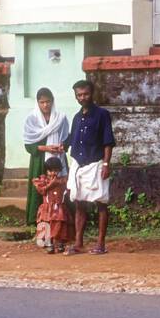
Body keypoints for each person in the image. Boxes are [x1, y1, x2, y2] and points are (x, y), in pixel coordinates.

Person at [66, 79, 116, 255]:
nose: (82, 97)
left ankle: (100, 244)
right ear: (76, 97)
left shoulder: (102, 115)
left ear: (91, 93)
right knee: (79, 203)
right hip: (78, 165)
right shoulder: (76, 117)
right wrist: (60, 147)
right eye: (79, 95)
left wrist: (106, 164)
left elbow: (108, 141)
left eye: (85, 94)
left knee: (101, 203)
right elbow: (71, 139)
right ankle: (79, 243)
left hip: (96, 163)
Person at [22, 87, 70, 247]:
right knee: (43, 190)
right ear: (37, 103)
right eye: (42, 102)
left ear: (52, 101)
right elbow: (29, 145)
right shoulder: (32, 119)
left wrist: (62, 147)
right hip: (40, 161)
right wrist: (46, 148)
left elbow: (66, 138)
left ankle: (62, 227)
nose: (45, 105)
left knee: (59, 190)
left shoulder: (61, 118)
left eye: (48, 101)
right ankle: (39, 226)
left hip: (57, 159)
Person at [31, 157, 74, 254]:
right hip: (47, 208)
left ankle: (60, 243)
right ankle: (48, 243)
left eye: (55, 170)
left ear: (59, 170)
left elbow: (68, 189)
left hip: (59, 208)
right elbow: (42, 191)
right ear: (46, 171)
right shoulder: (43, 181)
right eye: (50, 171)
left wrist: (57, 182)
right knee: (46, 225)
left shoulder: (63, 181)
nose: (53, 173)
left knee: (60, 225)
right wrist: (51, 184)